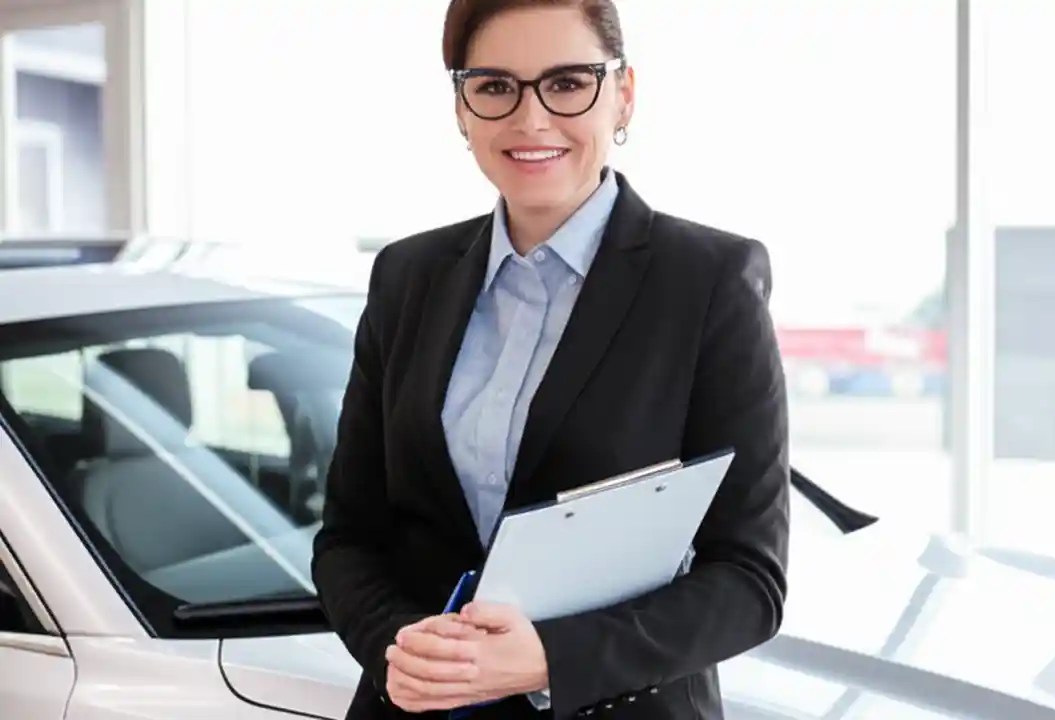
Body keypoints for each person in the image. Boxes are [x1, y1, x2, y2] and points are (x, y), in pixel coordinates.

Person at [311, 1, 790, 718]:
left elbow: (749, 579)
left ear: (623, 94)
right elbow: (350, 537)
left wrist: (550, 658)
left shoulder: (708, 282)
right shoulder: (408, 276)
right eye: (495, 86)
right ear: (462, 108)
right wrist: (399, 648)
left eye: (567, 83)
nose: (530, 119)